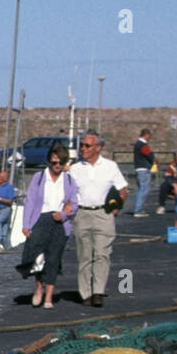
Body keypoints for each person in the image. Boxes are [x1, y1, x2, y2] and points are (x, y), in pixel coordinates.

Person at [69, 130, 127, 307]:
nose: (83, 149)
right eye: (82, 145)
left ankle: (98, 291)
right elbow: (67, 193)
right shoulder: (75, 169)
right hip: (82, 214)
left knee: (102, 253)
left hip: (103, 214)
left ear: (98, 148)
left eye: (87, 145)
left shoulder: (110, 166)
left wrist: (115, 209)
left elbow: (123, 190)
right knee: (85, 255)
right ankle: (85, 292)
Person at [16, 143, 77, 308]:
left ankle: (49, 297)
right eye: (54, 162)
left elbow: (74, 204)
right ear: (49, 162)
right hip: (40, 220)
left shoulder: (69, 180)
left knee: (54, 259)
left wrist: (63, 215)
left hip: (59, 223)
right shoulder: (39, 177)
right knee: (37, 257)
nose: (57, 166)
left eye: (61, 163)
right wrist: (26, 224)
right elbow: (30, 202)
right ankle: (38, 288)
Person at [131, 128, 154, 216]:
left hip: (138, 168)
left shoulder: (137, 144)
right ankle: (138, 209)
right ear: (146, 135)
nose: (150, 138)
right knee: (144, 189)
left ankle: (139, 208)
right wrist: (153, 160)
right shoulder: (143, 145)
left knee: (141, 189)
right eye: (149, 136)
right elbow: (148, 154)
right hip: (144, 169)